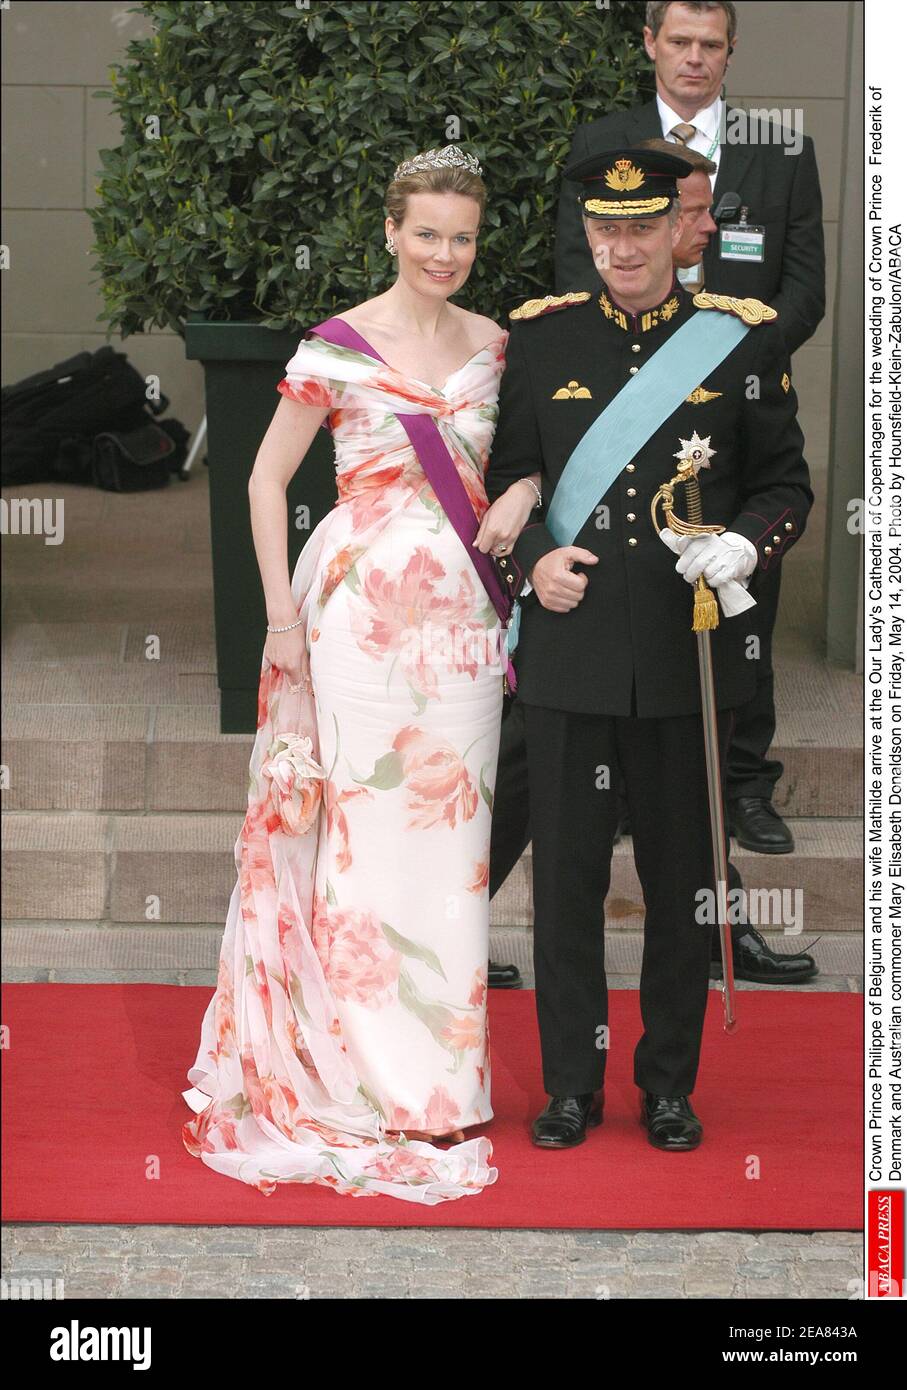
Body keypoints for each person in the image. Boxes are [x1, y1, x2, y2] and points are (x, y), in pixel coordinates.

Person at [181, 145, 534, 1203]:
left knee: (454, 846)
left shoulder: (499, 348)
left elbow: (531, 452)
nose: (442, 252)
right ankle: (356, 1075)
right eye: (424, 232)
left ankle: (439, 1084)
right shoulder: (333, 348)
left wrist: (520, 489)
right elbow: (261, 477)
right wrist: (279, 621)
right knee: (356, 835)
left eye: (461, 236)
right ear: (389, 231)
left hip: (465, 627)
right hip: (355, 620)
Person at [480, 146, 813, 1151]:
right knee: (567, 887)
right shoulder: (540, 340)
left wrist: (742, 543)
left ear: (679, 228)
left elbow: (785, 488)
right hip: (571, 656)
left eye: (640, 226)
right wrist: (533, 562)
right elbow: (513, 475)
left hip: (687, 657)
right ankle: (570, 1086)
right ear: (586, 235)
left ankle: (668, 1084)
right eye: (604, 229)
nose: (621, 246)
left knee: (678, 888)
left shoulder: (737, 342)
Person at [553, 0, 826, 857]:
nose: (694, 59)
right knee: (634, 584)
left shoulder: (783, 149)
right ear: (649, 44)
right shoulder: (603, 141)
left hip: (738, 402)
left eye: (711, 45)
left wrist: (727, 356)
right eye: (679, 41)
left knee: (744, 586)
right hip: (624, 399)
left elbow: (804, 288)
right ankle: (633, 782)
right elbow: (573, 268)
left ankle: (743, 783)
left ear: (731, 54)